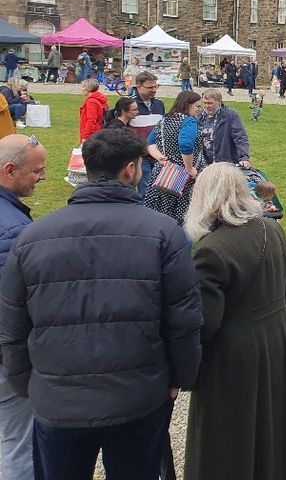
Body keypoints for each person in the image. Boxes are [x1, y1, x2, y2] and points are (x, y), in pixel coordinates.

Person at [0, 129, 202, 479]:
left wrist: (27, 383)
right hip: (133, 397)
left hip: (62, 398)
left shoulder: (33, 236)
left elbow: (12, 323)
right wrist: (180, 377)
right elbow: (183, 318)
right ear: (130, 170)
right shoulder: (164, 232)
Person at [182, 164, 286, 480]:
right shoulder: (271, 229)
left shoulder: (211, 250)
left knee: (227, 444)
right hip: (276, 341)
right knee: (272, 432)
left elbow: (204, 324)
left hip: (232, 359)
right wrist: (266, 318)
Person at [0, 134, 45, 478]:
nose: (43, 177)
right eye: (37, 171)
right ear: (10, 170)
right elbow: (15, 300)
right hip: (7, 354)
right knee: (20, 444)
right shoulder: (12, 230)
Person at [145, 91, 207, 224]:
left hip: (162, 174)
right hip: (183, 177)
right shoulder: (189, 121)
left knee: (160, 212)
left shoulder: (164, 120)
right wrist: (190, 169)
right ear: (187, 105)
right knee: (181, 215)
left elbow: (150, 142)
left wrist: (159, 157)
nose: (199, 110)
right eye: (197, 106)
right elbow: (185, 144)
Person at [197, 89, 251, 168]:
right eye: (204, 103)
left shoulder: (230, 115)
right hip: (204, 164)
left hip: (225, 163)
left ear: (219, 101)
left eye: (210, 103)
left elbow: (240, 137)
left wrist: (244, 158)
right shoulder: (200, 116)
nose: (206, 106)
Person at [78, 77, 109, 142]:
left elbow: (91, 120)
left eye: (83, 87)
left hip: (92, 133)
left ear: (88, 88)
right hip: (99, 130)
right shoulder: (100, 99)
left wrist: (86, 136)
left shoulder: (91, 101)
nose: (81, 89)